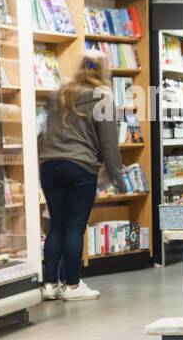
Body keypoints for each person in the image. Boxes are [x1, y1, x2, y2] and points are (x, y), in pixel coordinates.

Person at [38, 51, 125, 301]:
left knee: (56, 224)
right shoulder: (103, 97)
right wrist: (117, 176)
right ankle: (73, 286)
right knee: (75, 227)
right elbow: (108, 143)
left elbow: (43, 132)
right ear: (102, 70)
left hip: (50, 166)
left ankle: (50, 284)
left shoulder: (61, 94)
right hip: (80, 166)